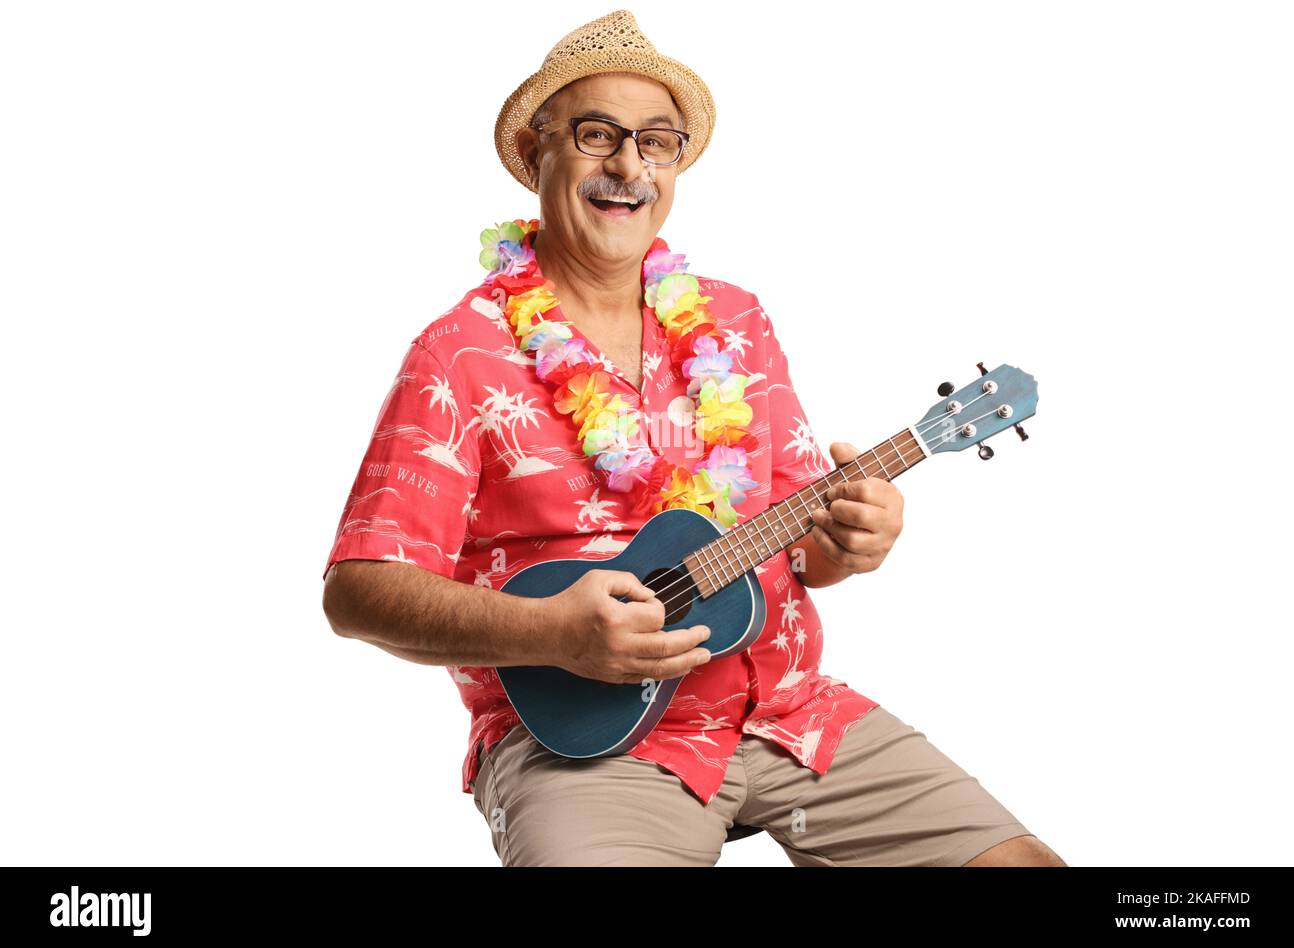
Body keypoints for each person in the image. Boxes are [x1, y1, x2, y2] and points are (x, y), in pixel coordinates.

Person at [321, 9, 1065, 868]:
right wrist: (554, 635)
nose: (628, 167)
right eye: (596, 134)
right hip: (586, 745)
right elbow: (359, 590)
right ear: (535, 155)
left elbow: (795, 552)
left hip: (786, 711)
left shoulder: (734, 321)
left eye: (658, 142)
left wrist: (852, 539)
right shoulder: (460, 351)